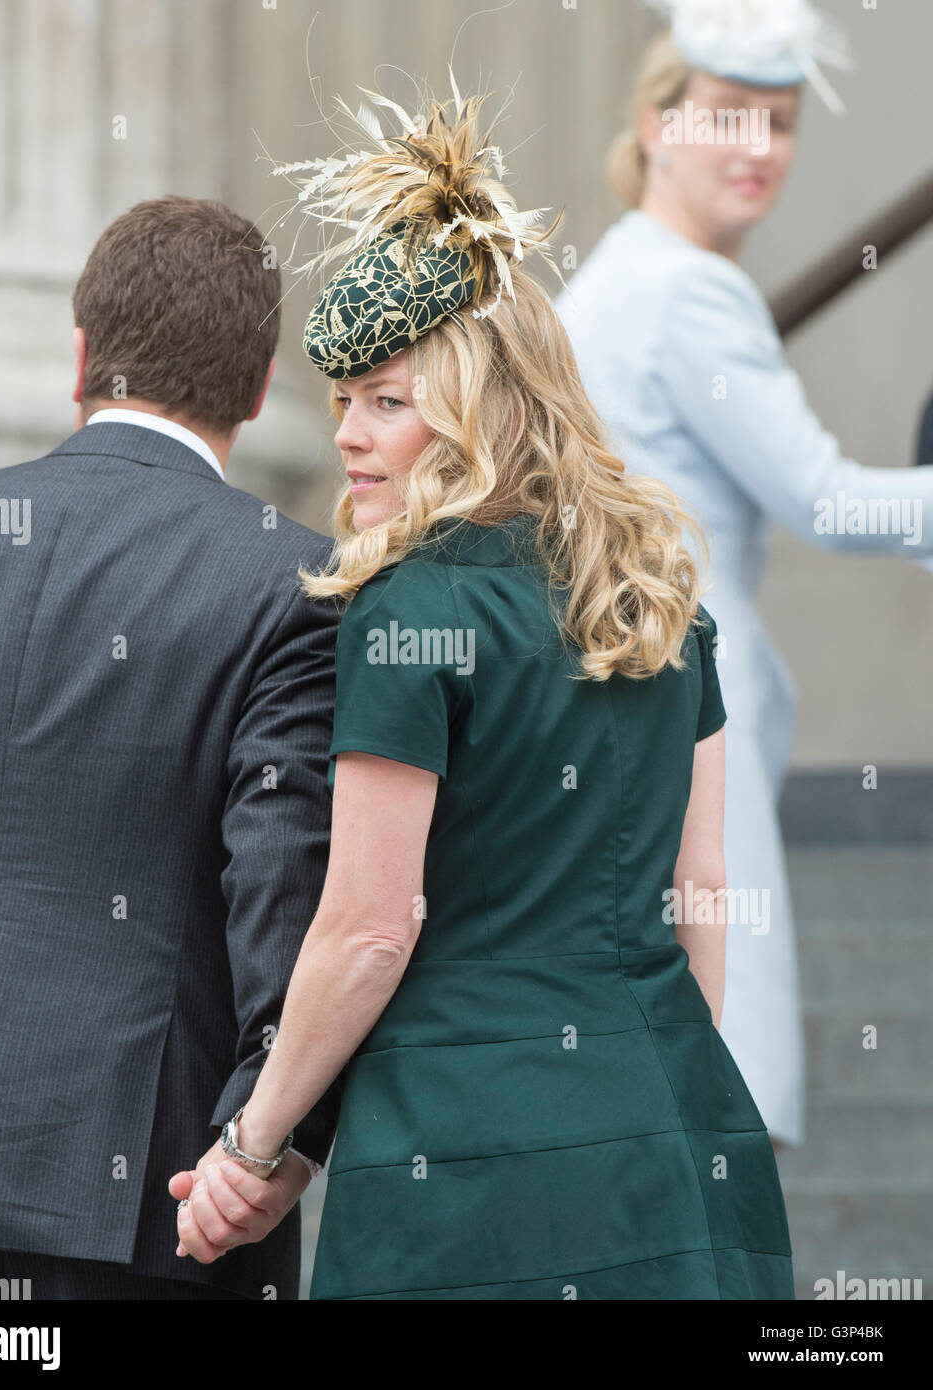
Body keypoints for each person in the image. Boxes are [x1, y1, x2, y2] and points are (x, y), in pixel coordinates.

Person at [169, 75, 795, 1300]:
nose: (350, 434)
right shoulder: (656, 594)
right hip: (679, 1128)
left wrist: (254, 1150)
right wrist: (668, 1077)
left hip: (466, 1161)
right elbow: (700, 887)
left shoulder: (409, 609)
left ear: (483, 410)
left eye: (390, 402)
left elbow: (367, 926)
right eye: (344, 401)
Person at [0, 195, 343, 1300]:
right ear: (257, 390)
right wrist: (270, 1142)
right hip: (147, 1195)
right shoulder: (292, 586)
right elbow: (283, 891)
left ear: (81, 359)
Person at [554, 0, 933, 1152]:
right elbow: (824, 499)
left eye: (777, 123)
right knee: (720, 1083)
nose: (759, 148)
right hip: (687, 711)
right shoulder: (686, 291)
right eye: (727, 117)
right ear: (658, 124)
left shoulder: (621, 272)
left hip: (630, 709)